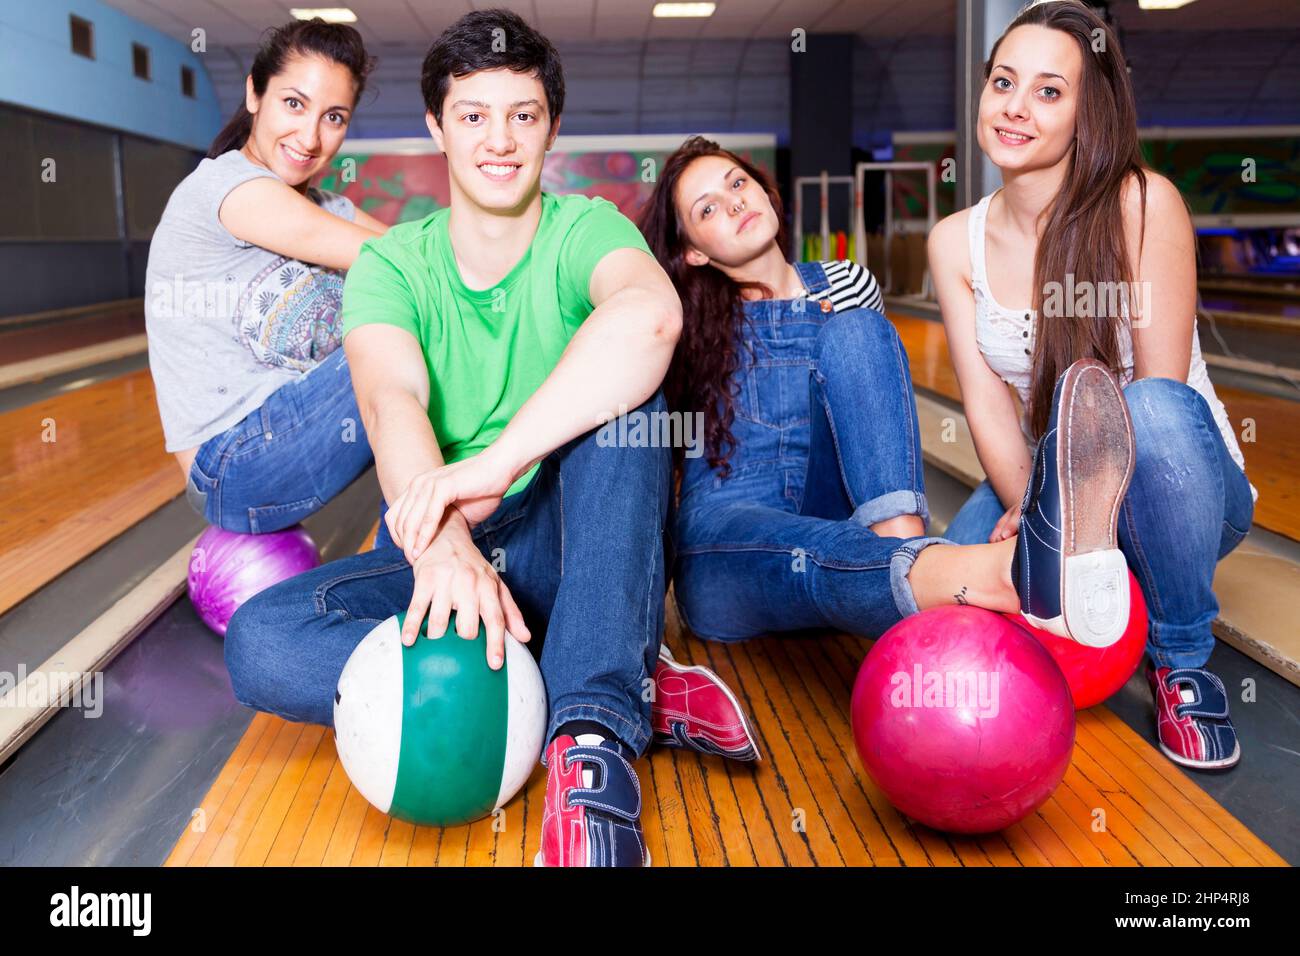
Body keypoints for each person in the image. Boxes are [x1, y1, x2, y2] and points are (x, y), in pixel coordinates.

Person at [224, 9, 757, 869]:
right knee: (261, 643)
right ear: (438, 126)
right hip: (446, 532)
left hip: (560, 527)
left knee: (631, 415)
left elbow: (652, 317)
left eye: (523, 114)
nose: (499, 140)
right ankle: (618, 676)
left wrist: (499, 463)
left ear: (551, 125)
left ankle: (591, 750)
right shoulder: (396, 264)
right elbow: (390, 397)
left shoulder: (589, 228)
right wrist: (440, 546)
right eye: (473, 115)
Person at [640, 135, 1138, 671]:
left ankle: (918, 574)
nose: (735, 201)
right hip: (733, 550)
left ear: (763, 190)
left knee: (858, 334)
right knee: (815, 545)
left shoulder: (847, 282)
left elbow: (867, 418)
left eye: (738, 183)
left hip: (854, 529)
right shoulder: (683, 323)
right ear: (693, 250)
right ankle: (975, 575)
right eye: (708, 208)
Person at [928, 0, 1254, 770]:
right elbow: (985, 402)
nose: (1015, 106)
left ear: (1088, 111)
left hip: (1174, 492)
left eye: (1048, 91)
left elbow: (1162, 404)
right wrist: (1024, 510)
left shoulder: (1143, 204)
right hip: (1048, 493)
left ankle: (1181, 663)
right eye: (1003, 82)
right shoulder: (954, 241)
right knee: (942, 600)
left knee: (1149, 404)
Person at [145, 18, 387, 534]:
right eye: (294, 104)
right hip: (232, 466)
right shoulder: (229, 189)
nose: (310, 136)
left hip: (285, 439)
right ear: (255, 92)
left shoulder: (326, 205)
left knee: (430, 319)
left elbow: (416, 249)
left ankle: (426, 557)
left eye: (334, 117)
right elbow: (404, 261)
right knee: (409, 334)